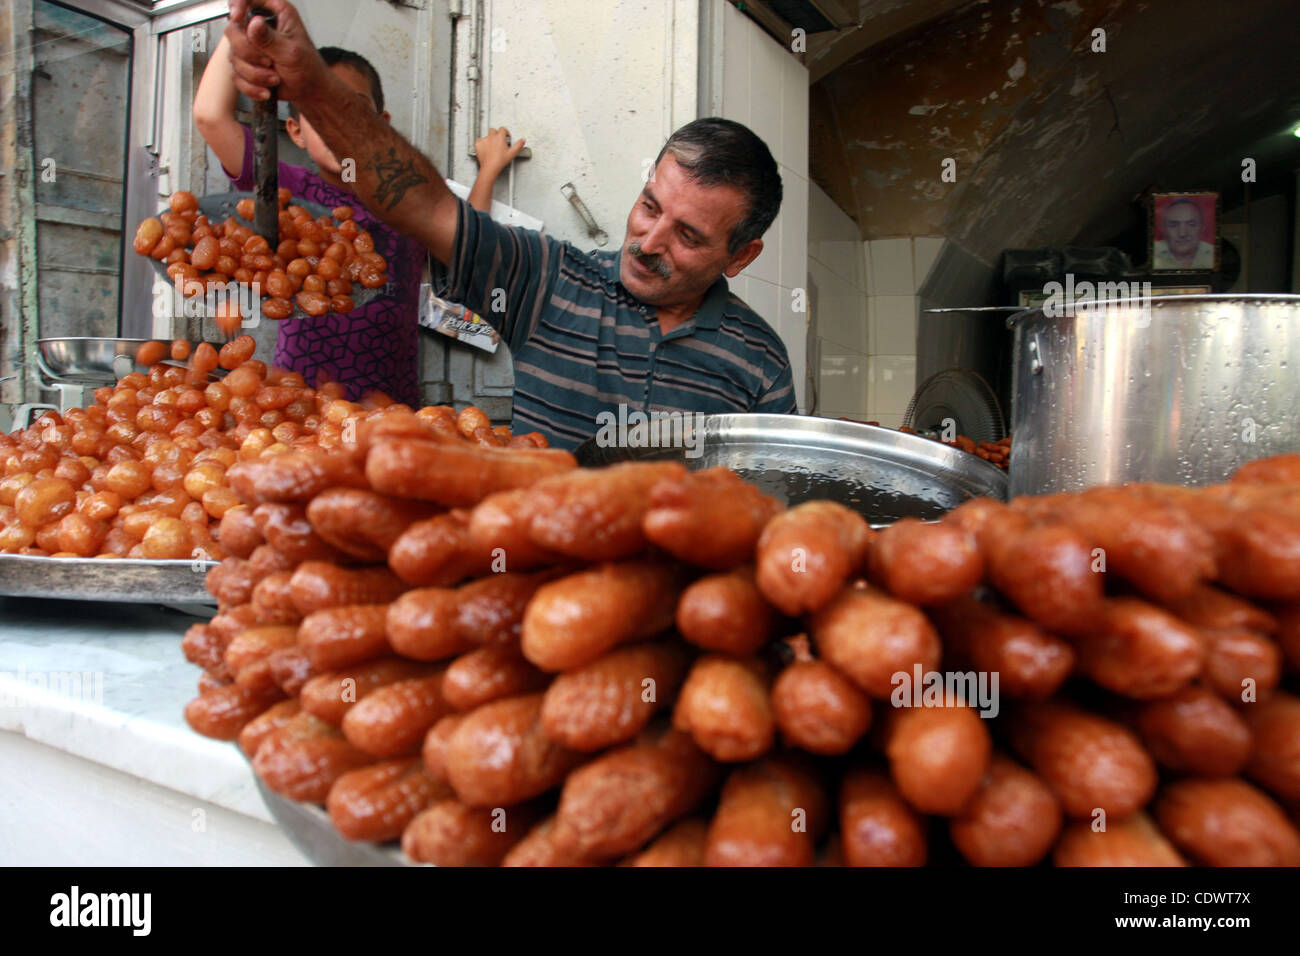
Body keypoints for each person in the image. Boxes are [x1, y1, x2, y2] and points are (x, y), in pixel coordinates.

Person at [221, 0, 796, 449]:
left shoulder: (760, 360)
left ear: (741, 256)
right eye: (649, 207)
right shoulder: (549, 279)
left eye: (688, 236)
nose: (648, 242)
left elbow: (770, 505)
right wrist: (313, 85)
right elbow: (422, 203)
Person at [194, 35, 524, 406]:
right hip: (300, 406)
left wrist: (489, 170)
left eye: (353, 110)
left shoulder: (407, 199)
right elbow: (210, 116)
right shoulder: (287, 189)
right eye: (320, 114)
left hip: (390, 408)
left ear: (380, 125)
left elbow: (464, 240)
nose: (339, 127)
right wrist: (240, 28)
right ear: (297, 132)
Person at [1152, 198, 1215, 270]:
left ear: (1202, 228)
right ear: (1163, 229)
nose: (1182, 234)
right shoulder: (1150, 255)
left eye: (1191, 224)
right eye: (1174, 225)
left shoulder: (1215, 254)